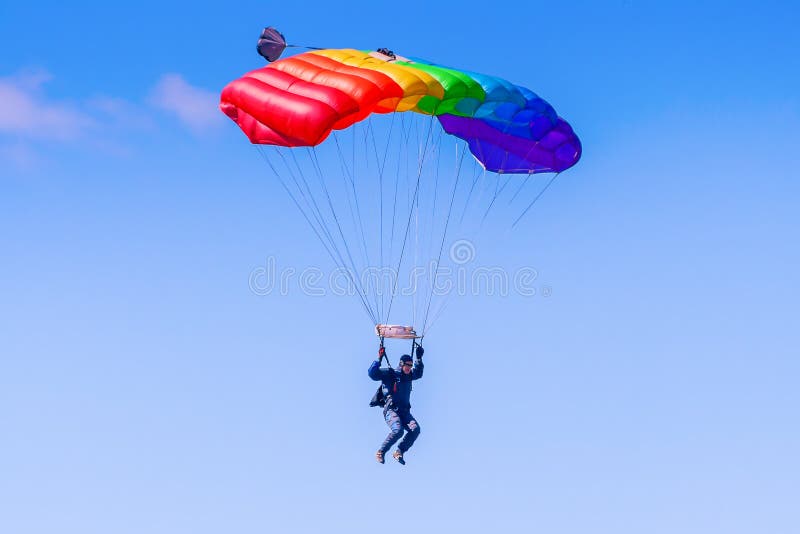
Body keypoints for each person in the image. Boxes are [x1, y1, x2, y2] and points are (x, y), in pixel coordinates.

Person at [368, 344, 424, 465]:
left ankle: (399, 451)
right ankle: (381, 452)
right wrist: (379, 358)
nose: (409, 367)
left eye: (411, 365)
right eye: (407, 365)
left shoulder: (409, 376)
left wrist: (419, 359)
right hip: (391, 410)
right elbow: (372, 374)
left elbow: (419, 374)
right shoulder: (390, 374)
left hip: (404, 412)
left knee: (415, 430)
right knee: (398, 431)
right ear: (401, 364)